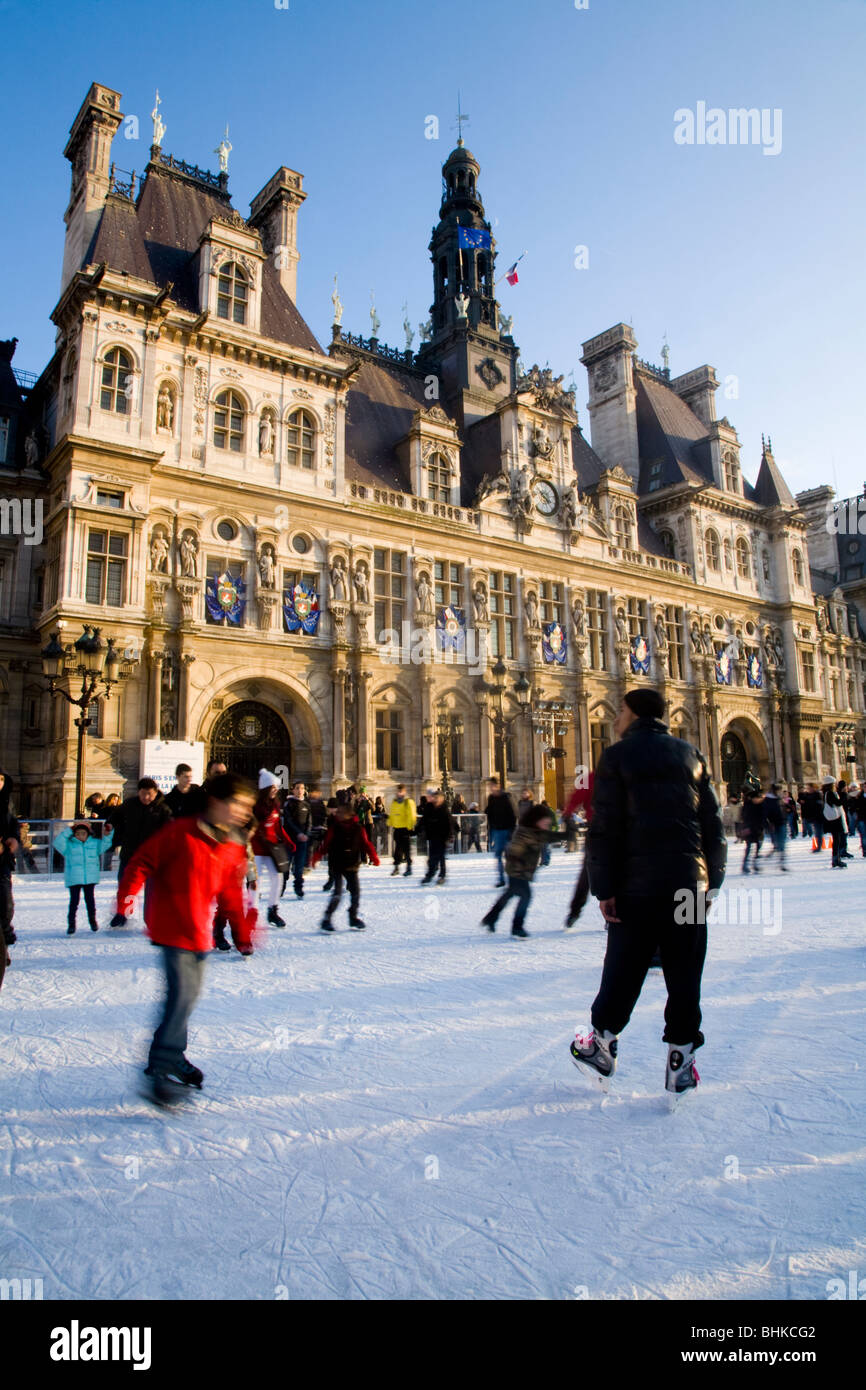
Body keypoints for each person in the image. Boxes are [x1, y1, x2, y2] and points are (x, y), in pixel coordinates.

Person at [570, 688, 726, 1099]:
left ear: (635, 713)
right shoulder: (692, 754)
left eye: (620, 710)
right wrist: (712, 882)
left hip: (636, 885)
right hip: (689, 884)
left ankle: (602, 1045)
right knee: (685, 971)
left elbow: (605, 828)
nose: (616, 718)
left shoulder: (617, 756)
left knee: (624, 966)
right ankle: (682, 1059)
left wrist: (603, 888)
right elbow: (712, 826)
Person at [116, 773, 258, 1105]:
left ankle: (169, 1056)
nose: (243, 813)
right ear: (216, 803)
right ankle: (162, 1069)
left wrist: (241, 934)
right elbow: (142, 860)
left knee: (187, 1000)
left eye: (247, 807)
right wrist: (126, 897)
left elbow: (230, 895)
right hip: (170, 926)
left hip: (198, 932)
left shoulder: (231, 844)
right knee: (179, 999)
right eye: (238, 805)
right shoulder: (181, 832)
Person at [481, 803, 564, 937]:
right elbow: (514, 851)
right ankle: (517, 926)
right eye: (545, 822)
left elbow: (550, 837)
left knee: (509, 894)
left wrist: (567, 835)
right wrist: (519, 867)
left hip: (520, 871)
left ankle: (490, 918)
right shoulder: (525, 832)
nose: (546, 826)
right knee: (526, 896)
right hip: (517, 871)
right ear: (537, 820)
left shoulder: (536, 832)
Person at [312, 797, 380, 931]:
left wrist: (374, 857)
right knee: (337, 892)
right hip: (337, 863)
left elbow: (366, 844)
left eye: (342, 813)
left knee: (355, 892)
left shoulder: (358, 828)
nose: (339, 815)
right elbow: (326, 844)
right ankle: (327, 918)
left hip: (352, 864)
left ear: (350, 814)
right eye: (338, 813)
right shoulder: (335, 827)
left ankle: (353, 917)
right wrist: (316, 857)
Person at [54, 820, 114, 933]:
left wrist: (108, 834)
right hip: (74, 878)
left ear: (88, 834)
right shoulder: (69, 846)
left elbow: (106, 844)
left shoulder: (95, 844)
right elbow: (58, 842)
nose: (80, 836)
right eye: (77, 834)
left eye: (83, 833)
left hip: (90, 878)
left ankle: (92, 921)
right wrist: (69, 830)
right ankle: (71, 924)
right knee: (74, 902)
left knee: (90, 901)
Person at [251, 770, 295, 925]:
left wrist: (288, 841)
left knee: (278, 878)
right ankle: (252, 912)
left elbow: (278, 827)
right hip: (256, 850)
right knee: (255, 882)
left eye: (276, 787)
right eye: (272, 787)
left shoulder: (276, 805)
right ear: (265, 788)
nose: (276, 789)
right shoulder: (255, 806)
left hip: (271, 849)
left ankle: (273, 909)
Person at [563, 771, 596, 930]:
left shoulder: (593, 777)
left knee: (587, 873)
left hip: (597, 829)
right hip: (620, 830)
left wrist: (568, 812)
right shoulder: (626, 775)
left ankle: (574, 911)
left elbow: (577, 796)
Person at [0, 769, 20, 949]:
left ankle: (5, 934)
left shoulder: (7, 802)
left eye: (0, 779)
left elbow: (14, 825)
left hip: (2, 860)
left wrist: (14, 838)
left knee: (5, 903)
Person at [282, 781, 312, 899]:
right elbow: (288, 821)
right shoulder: (288, 804)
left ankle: (298, 888)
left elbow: (309, 822)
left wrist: (306, 834)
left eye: (302, 788)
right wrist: (298, 833)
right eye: (298, 788)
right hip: (290, 840)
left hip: (302, 841)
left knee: (299, 868)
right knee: (285, 866)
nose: (300, 790)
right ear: (293, 790)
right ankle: (281, 887)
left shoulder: (306, 805)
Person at [484, 777, 516, 887]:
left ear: (498, 786)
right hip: (496, 830)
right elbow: (490, 814)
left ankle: (512, 878)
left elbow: (513, 814)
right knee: (498, 855)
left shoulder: (506, 797)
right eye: (490, 786)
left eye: (492, 785)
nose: (491, 788)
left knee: (508, 856)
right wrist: (490, 830)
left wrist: (511, 831)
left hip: (506, 830)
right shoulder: (491, 798)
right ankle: (501, 879)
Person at [420, 790, 455, 885]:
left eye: (437, 798)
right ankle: (430, 874)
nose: (436, 800)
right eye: (435, 798)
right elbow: (424, 819)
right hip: (432, 836)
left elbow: (450, 823)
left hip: (443, 837)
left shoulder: (444, 809)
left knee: (441, 856)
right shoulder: (429, 807)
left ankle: (442, 875)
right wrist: (418, 829)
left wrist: (450, 836)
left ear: (442, 799)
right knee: (431, 856)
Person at [387, 783, 416, 876]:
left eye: (400, 791)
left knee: (406, 850)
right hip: (397, 828)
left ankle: (409, 867)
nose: (398, 793)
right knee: (398, 849)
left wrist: (410, 827)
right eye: (398, 791)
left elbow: (411, 815)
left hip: (405, 829)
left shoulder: (408, 802)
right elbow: (392, 814)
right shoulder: (394, 802)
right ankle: (396, 867)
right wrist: (389, 822)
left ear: (404, 792)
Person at [822, 776, 847, 868]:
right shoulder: (830, 793)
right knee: (837, 839)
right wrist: (844, 794)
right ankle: (836, 859)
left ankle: (836, 858)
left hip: (832, 819)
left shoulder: (827, 793)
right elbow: (838, 803)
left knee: (837, 839)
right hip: (834, 820)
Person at [741, 788, 767, 873]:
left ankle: (755, 864)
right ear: (753, 798)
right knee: (748, 848)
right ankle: (745, 865)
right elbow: (745, 818)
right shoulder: (748, 806)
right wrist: (746, 828)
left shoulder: (761, 806)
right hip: (750, 830)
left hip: (759, 830)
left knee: (758, 848)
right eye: (757, 798)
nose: (758, 800)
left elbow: (764, 818)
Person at [763, 783, 788, 870]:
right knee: (778, 844)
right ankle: (778, 861)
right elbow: (765, 814)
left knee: (781, 844)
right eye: (779, 790)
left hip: (782, 823)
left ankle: (782, 862)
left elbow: (782, 811)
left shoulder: (779, 799)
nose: (781, 792)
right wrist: (768, 824)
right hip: (774, 825)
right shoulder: (768, 800)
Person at [800, 783, 823, 851]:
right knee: (817, 832)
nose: (808, 789)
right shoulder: (807, 795)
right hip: (811, 816)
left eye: (809, 788)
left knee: (818, 832)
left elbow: (819, 805)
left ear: (813, 788)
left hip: (818, 816)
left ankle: (819, 847)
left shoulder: (817, 794)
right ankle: (818, 846)